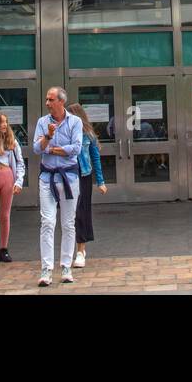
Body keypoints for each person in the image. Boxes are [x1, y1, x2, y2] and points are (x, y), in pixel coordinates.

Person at [33, 86, 84, 287]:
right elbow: (37, 148)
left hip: (69, 178)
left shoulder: (75, 122)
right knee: (47, 222)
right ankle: (46, 269)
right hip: (47, 178)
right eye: (46, 99)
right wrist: (47, 136)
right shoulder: (42, 123)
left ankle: (66, 266)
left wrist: (54, 150)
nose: (47, 103)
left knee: (68, 223)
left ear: (61, 101)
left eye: (50, 99)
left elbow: (76, 148)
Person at [68, 102, 107, 267]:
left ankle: (80, 250)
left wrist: (100, 181)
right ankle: (70, 250)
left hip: (83, 176)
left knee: (81, 213)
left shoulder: (88, 134)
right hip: (66, 177)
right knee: (69, 216)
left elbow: (95, 158)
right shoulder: (64, 133)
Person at [0, 111, 24, 263]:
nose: (4, 125)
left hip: (8, 176)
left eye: (6, 122)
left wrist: (19, 181)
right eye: (1, 122)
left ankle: (4, 249)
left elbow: (20, 162)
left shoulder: (12, 141)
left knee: (5, 215)